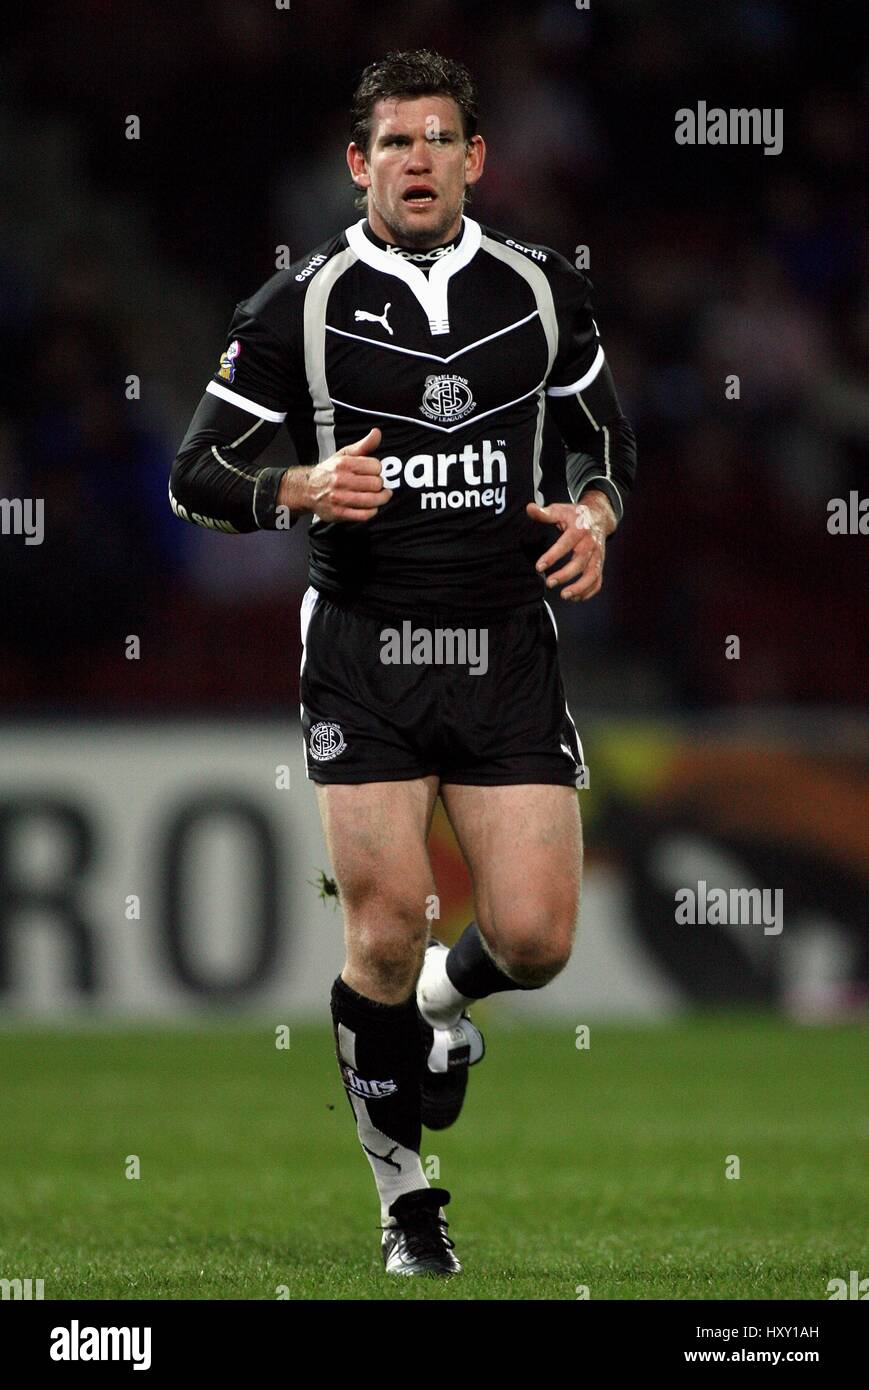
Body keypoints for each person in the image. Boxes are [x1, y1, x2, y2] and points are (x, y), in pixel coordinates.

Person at [169, 48, 636, 1277]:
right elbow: (195, 473)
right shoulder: (299, 308)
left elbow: (600, 441)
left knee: (533, 939)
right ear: (357, 163)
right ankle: (407, 1204)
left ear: (474, 159)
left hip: (504, 643)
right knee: (378, 927)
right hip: (366, 649)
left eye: (438, 139)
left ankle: (444, 999)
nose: (416, 159)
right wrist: (298, 486)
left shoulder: (538, 289)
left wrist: (593, 517)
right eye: (393, 142)